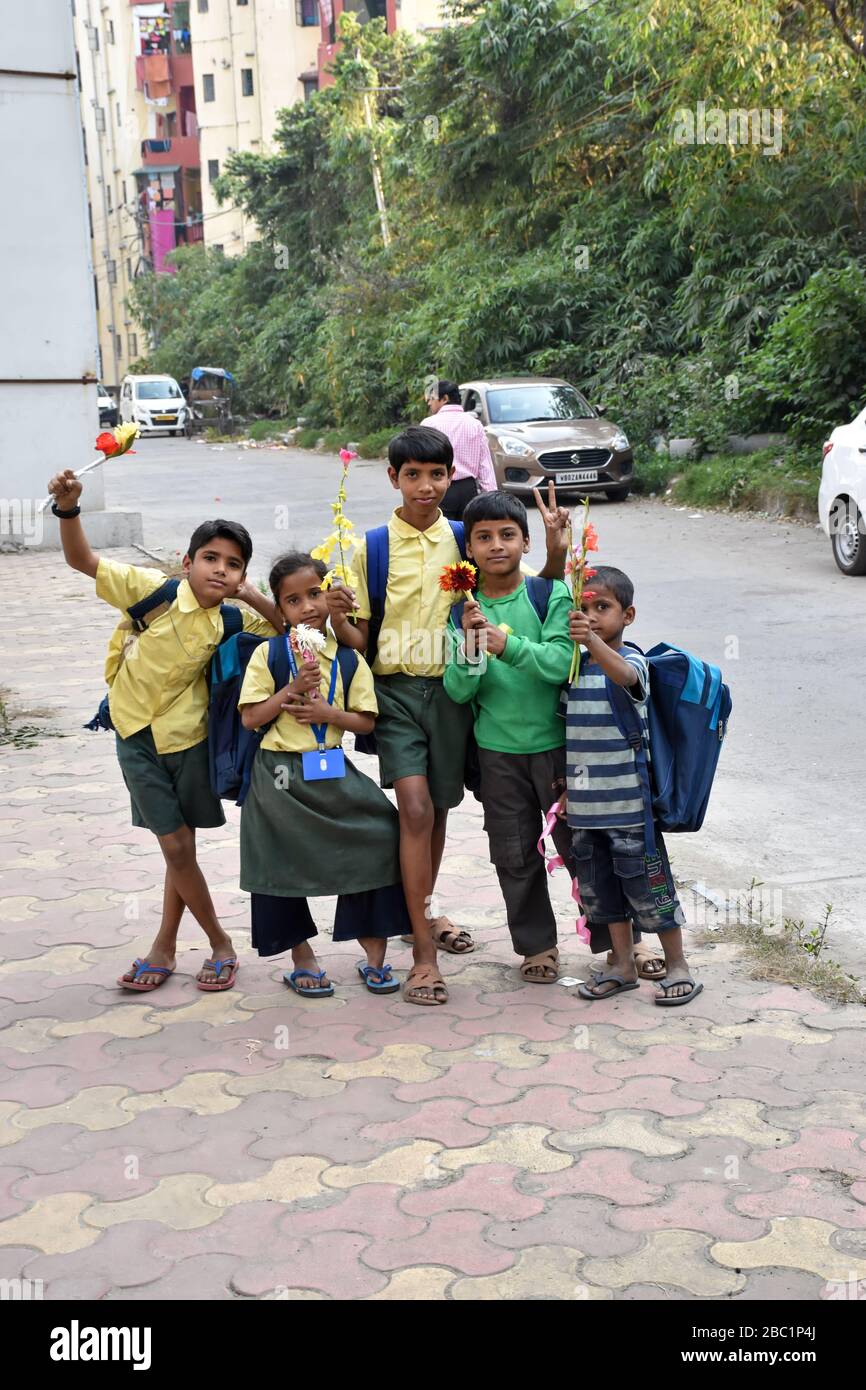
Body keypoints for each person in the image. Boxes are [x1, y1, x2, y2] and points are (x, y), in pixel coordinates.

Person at [325, 425, 569, 1006]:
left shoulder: (466, 537)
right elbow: (360, 638)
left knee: (436, 813)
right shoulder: (369, 548)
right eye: (413, 475)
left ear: (452, 477)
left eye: (438, 475)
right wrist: (337, 618)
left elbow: (524, 590)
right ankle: (425, 959)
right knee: (413, 808)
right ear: (393, 478)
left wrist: (556, 549)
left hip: (459, 696)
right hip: (398, 695)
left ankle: (422, 915)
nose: (427, 486)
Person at [46, 468, 280, 993]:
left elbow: (286, 627)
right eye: (211, 559)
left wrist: (252, 596)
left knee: (181, 849)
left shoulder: (232, 619)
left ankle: (165, 946)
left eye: (234, 565)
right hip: (135, 736)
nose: (220, 571)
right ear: (187, 561)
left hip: (191, 741)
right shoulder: (152, 591)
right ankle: (220, 943)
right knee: (176, 847)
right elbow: (81, 560)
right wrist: (69, 509)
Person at [238, 552, 410, 996]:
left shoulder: (349, 658)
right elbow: (251, 718)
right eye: (293, 600)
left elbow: (366, 721)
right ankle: (304, 961)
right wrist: (290, 691)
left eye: (314, 593)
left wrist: (327, 712)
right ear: (281, 610)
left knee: (379, 835)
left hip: (331, 768)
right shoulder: (268, 654)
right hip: (279, 776)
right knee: (278, 859)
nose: (308, 606)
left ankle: (373, 956)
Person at [443, 492, 574, 982]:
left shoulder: (549, 596)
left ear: (524, 541)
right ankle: (537, 946)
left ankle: (615, 939)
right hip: (497, 755)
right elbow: (457, 690)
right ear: (469, 550)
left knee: (582, 847)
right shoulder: (460, 613)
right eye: (483, 537)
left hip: (560, 749)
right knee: (514, 855)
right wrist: (474, 648)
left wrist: (508, 644)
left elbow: (562, 664)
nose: (496, 545)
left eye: (507, 535)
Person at [562, 566, 701, 1004]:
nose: (592, 616)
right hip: (586, 812)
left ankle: (678, 964)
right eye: (583, 609)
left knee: (650, 887)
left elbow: (624, 676)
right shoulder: (571, 670)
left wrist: (593, 642)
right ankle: (621, 965)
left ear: (629, 615)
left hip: (630, 811)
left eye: (602, 607)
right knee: (601, 894)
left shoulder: (633, 661)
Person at [421, 379, 497, 520]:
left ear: (444, 399)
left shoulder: (428, 425)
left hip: (440, 488)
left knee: (442, 536)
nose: (429, 403)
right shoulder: (475, 425)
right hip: (469, 490)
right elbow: (485, 465)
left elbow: (421, 463)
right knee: (468, 535)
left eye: (432, 399)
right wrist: (492, 498)